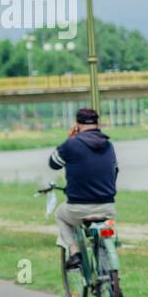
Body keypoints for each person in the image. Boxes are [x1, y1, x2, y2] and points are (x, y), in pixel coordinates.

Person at [47, 106, 118, 270]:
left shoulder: (71, 145)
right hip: (108, 206)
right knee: (105, 232)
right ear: (97, 124)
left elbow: (53, 163)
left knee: (60, 214)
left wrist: (69, 140)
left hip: (78, 208)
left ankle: (74, 252)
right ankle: (111, 281)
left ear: (76, 124)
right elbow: (114, 170)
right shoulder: (109, 145)